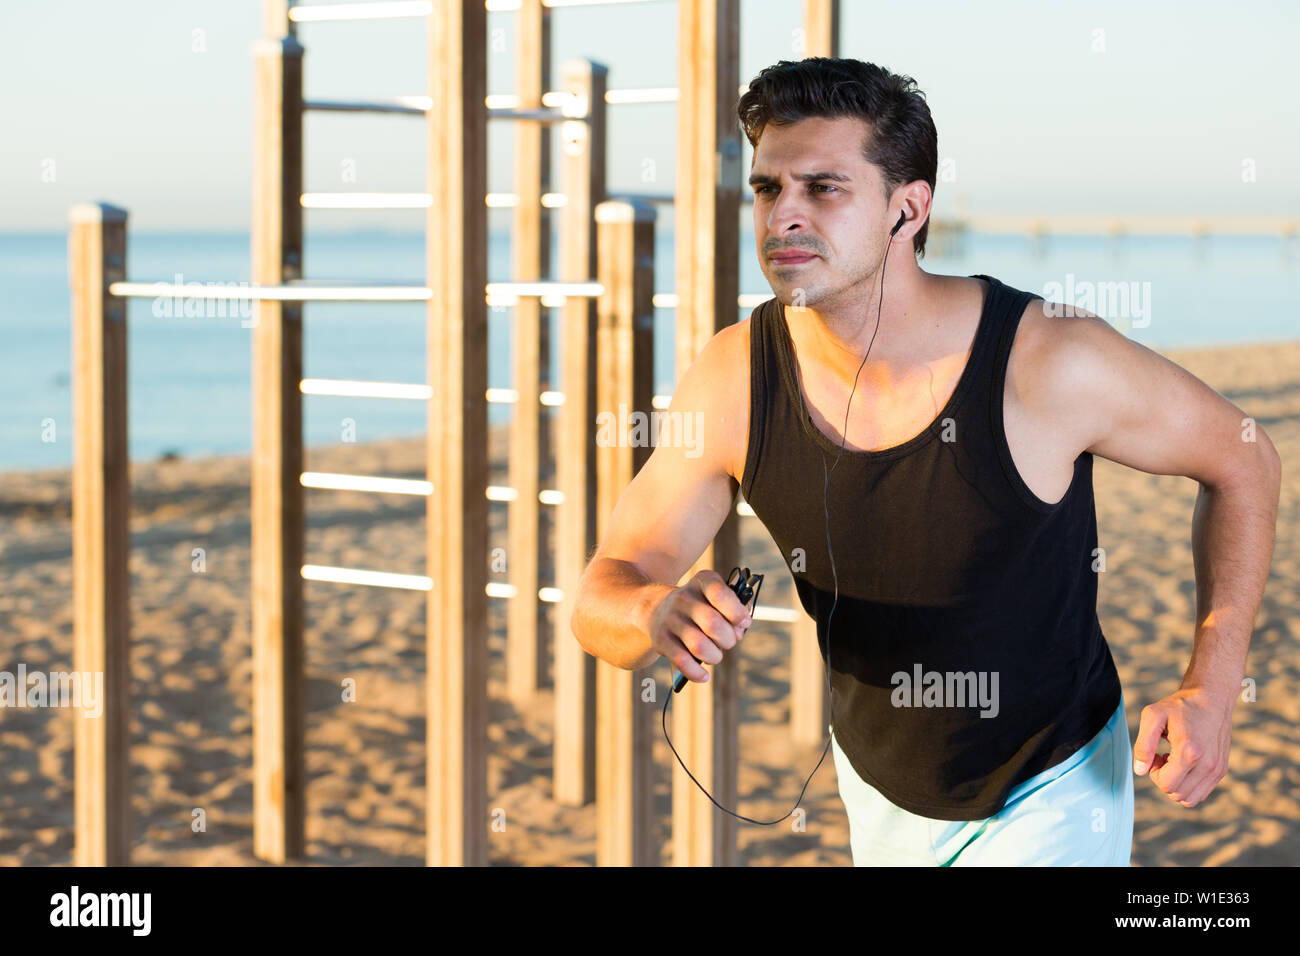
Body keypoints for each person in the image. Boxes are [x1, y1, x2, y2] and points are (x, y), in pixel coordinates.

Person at [569, 57, 1281, 865]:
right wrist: (652, 613)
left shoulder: (1049, 361)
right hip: (876, 795)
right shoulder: (734, 379)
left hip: (1055, 788)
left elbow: (1244, 459)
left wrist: (1212, 691)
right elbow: (605, 587)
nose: (782, 218)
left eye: (823, 188)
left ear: (908, 210)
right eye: (769, 189)